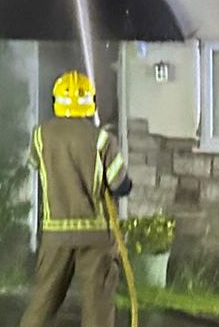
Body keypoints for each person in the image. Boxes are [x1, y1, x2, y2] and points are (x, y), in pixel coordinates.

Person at [20, 70, 133, 327]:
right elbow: (121, 186)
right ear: (90, 102)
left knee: (42, 301)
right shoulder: (103, 140)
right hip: (95, 235)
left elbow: (36, 166)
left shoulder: (41, 136)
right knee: (98, 307)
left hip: (55, 234)